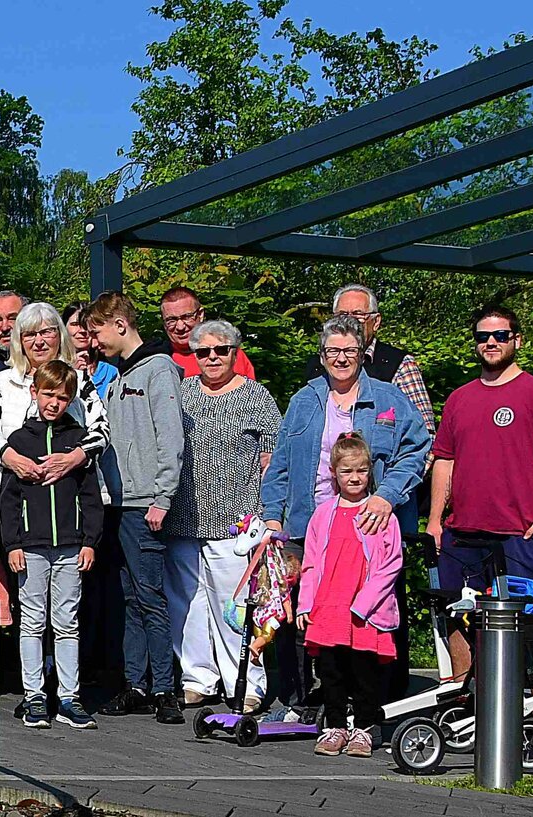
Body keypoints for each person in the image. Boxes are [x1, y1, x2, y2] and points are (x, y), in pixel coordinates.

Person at [258, 315, 429, 714]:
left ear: (362, 354)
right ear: (322, 356)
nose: (341, 358)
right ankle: (301, 702)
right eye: (333, 351)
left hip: (367, 526)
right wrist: (271, 516)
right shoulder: (304, 400)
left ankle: (368, 705)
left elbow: (418, 451)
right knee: (300, 614)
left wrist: (386, 496)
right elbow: (280, 462)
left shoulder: (389, 399)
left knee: (366, 614)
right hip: (309, 525)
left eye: (349, 351)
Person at [425, 306, 533, 679]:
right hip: (463, 532)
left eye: (500, 335)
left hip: (520, 531)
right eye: (483, 336)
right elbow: (444, 459)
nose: (491, 342)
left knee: (531, 624)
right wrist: (435, 520)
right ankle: (464, 707)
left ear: (518, 340)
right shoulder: (459, 398)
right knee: (457, 618)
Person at [165, 320, 278, 711]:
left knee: (235, 608)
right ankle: (198, 678)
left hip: (236, 520)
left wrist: (265, 515)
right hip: (183, 516)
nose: (212, 358)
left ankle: (246, 682)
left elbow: (272, 459)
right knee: (187, 604)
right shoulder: (180, 395)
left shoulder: (256, 397)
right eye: (203, 352)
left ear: (235, 352)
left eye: (221, 350)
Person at [84, 292, 185, 725]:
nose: (94, 342)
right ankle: (136, 684)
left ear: (120, 324)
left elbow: (171, 437)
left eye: (98, 331)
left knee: (150, 597)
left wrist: (163, 497)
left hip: (145, 504)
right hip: (120, 503)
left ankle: (165, 689)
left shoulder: (158, 369)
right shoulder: (121, 375)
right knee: (129, 598)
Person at [1, 361, 104, 730]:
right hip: (30, 546)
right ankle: (34, 696)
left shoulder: (78, 441)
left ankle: (69, 697)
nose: (54, 403)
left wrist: (89, 542)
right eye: (48, 394)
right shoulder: (19, 440)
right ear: (34, 393)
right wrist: (12, 544)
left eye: (63, 397)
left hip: (71, 546)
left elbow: (90, 497)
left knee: (67, 622)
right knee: (31, 621)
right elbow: (9, 500)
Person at [298, 434, 403, 759]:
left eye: (360, 470)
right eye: (347, 471)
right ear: (334, 473)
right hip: (329, 608)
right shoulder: (324, 514)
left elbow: (391, 564)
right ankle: (335, 726)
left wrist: (366, 602)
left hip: (365, 613)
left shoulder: (382, 515)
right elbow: (311, 562)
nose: (354, 478)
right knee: (331, 672)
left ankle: (365, 727)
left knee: (365, 673)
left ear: (369, 471)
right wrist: (305, 602)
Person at [0, 303, 110, 492]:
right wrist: (14, 460)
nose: (39, 342)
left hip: (72, 492)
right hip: (13, 495)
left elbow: (101, 429)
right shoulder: (3, 382)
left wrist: (72, 459)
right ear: (20, 341)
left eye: (46, 332)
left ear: (60, 335)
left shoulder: (80, 381)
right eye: (30, 334)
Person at [304, 285, 435, 436]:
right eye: (342, 315)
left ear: (376, 321)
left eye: (358, 315)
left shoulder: (399, 364)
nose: (349, 321)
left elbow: (425, 433)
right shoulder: (316, 366)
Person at [155, 287, 256, 378]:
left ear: (200, 314)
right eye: (171, 320)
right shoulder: (158, 360)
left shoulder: (227, 353)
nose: (180, 327)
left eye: (187, 317)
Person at [63, 301, 120, 399]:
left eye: (85, 325)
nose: (82, 331)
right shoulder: (54, 367)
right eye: (75, 324)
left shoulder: (110, 373)